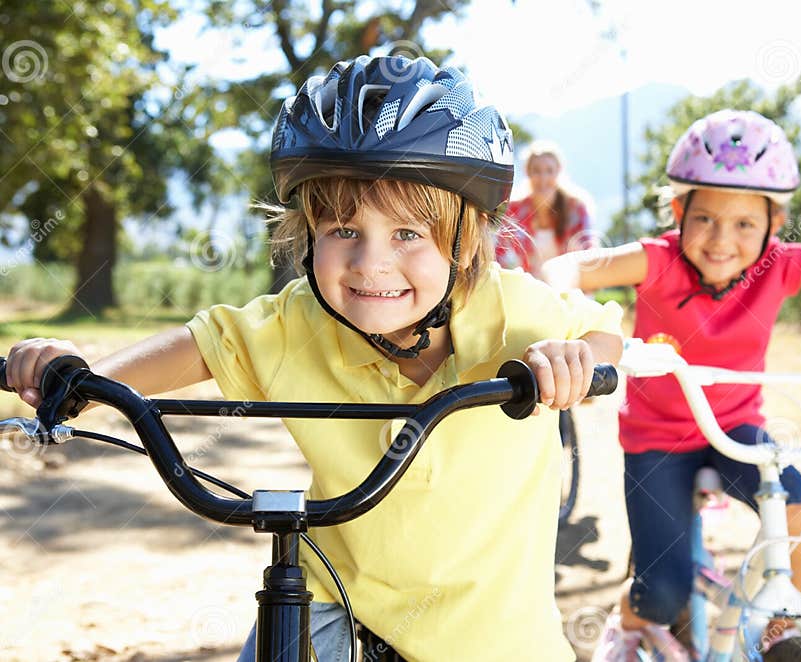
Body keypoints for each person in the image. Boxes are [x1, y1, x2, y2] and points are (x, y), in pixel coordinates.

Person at [3, 56, 623, 661]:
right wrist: (76, 376)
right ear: (307, 236)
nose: (370, 263)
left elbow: (603, 337)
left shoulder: (518, 312)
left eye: (408, 234)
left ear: (463, 241)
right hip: (338, 610)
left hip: (496, 640)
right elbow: (200, 344)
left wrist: (572, 361)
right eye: (343, 231)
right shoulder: (298, 320)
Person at [543, 110, 801, 660]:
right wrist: (571, 322)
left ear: (774, 225)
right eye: (704, 219)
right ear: (678, 211)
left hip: (735, 428)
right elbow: (568, 268)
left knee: (796, 496)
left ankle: (784, 622)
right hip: (657, 439)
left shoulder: (779, 265)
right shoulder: (656, 260)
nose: (721, 240)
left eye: (745, 224)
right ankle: (628, 619)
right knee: (660, 594)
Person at [496, 140, 597, 278]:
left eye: (549, 171)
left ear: (559, 172)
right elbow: (498, 253)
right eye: (536, 170)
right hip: (529, 290)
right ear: (527, 173)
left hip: (570, 287)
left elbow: (590, 255)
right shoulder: (514, 210)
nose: (543, 178)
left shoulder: (577, 209)